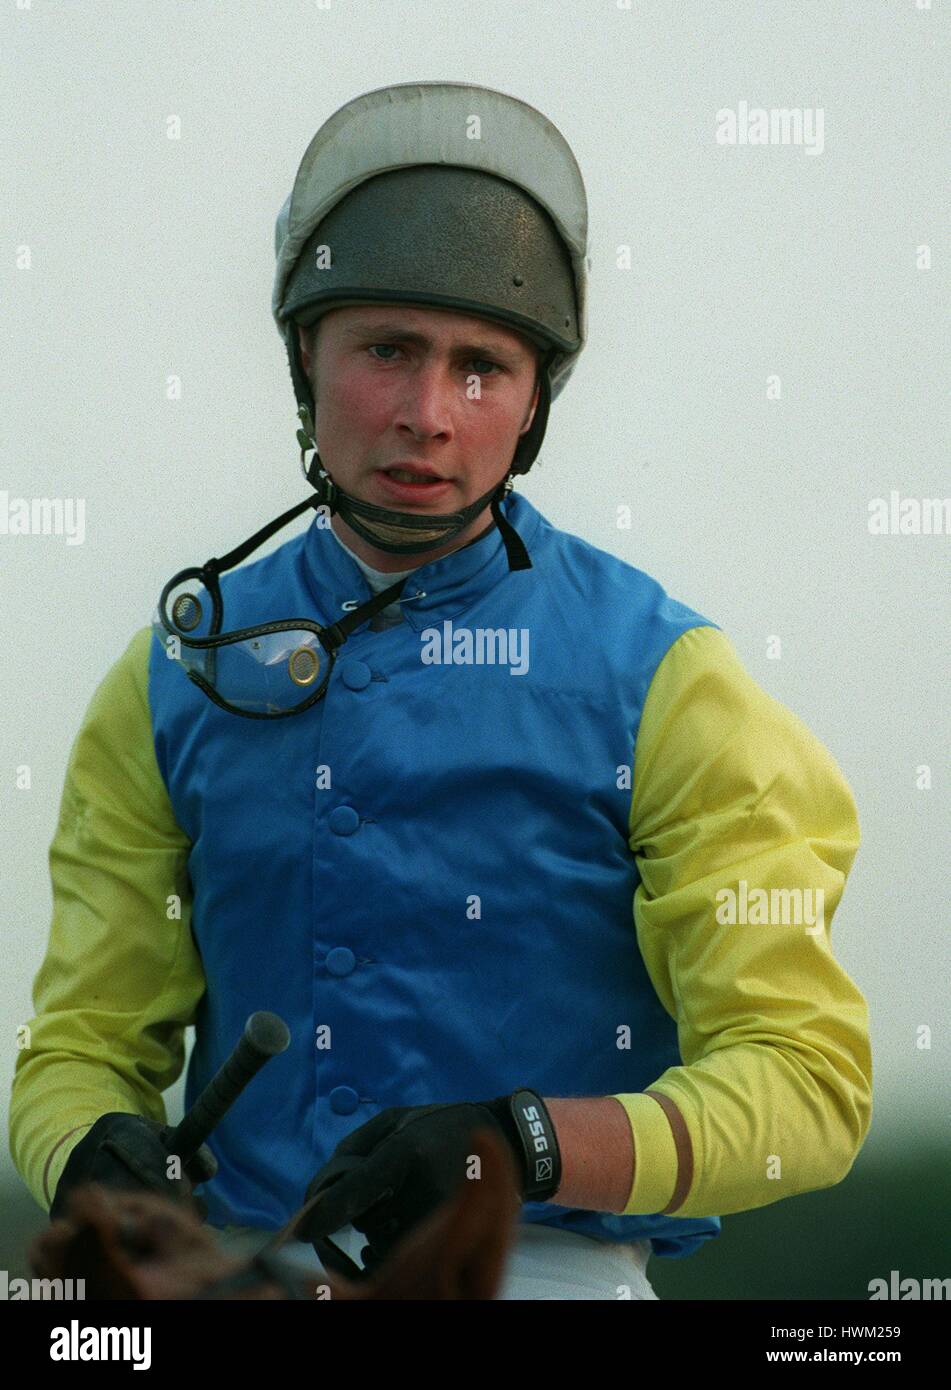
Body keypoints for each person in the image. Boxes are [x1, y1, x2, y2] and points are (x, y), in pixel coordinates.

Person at [9, 82, 872, 1301]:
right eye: (387, 351)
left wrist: (520, 1144)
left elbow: (808, 1085)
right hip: (244, 1271)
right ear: (306, 359)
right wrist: (85, 1149)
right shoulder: (169, 679)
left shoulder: (670, 681)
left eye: (482, 368)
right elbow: (77, 1052)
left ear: (532, 411)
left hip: (549, 1271)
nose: (426, 415)